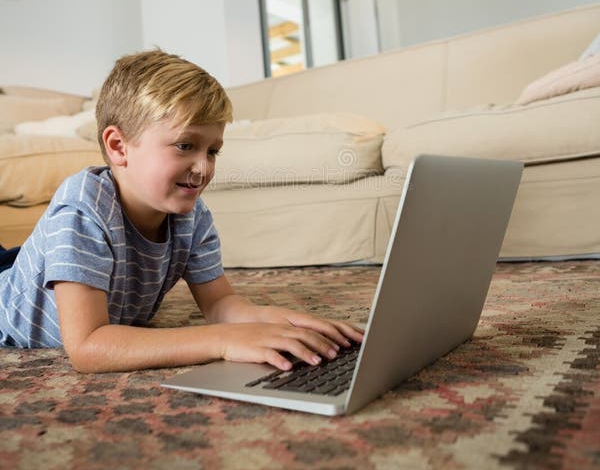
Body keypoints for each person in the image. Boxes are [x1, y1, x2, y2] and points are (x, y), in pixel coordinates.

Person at [0, 49, 363, 372]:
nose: (203, 168)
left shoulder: (193, 216)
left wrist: (293, 325)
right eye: (185, 145)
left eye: (212, 150)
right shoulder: (83, 209)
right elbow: (88, 346)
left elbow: (221, 304)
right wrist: (220, 341)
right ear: (118, 147)